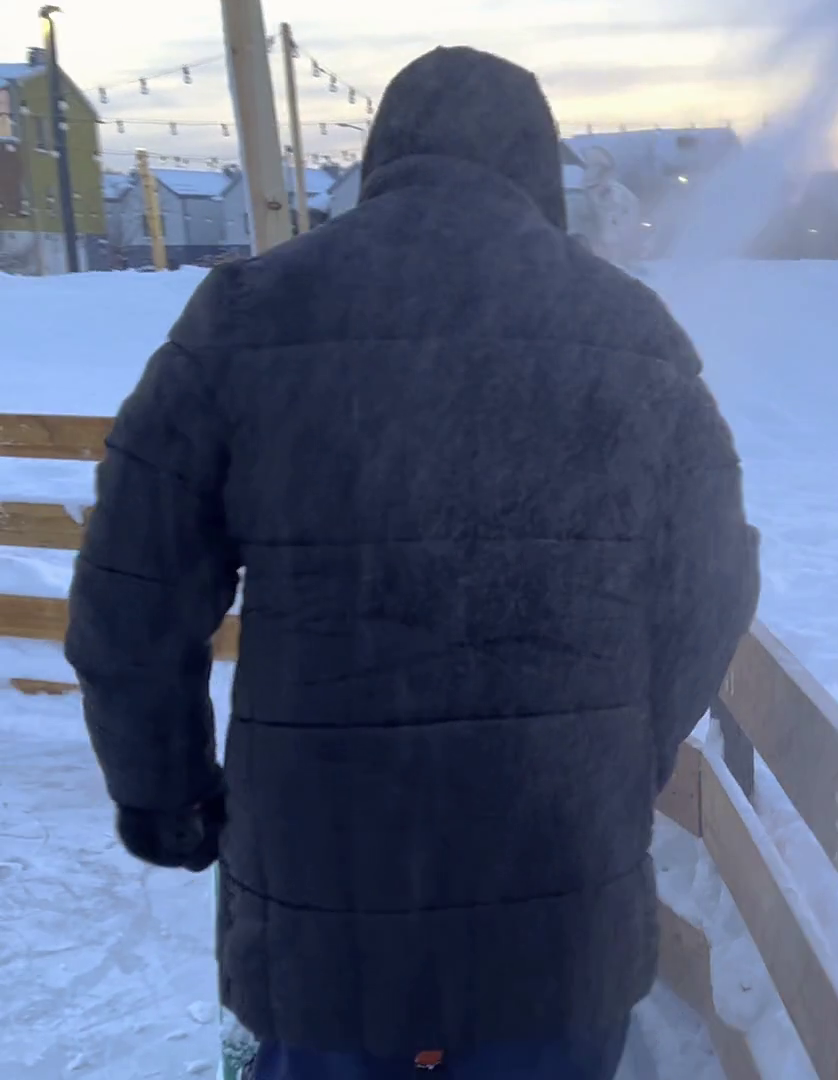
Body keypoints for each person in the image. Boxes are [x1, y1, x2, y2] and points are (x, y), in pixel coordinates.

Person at [66, 46, 760, 1080]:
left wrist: (166, 794)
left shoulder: (250, 318)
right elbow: (713, 582)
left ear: (382, 157)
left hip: (325, 923)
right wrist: (620, 754)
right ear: (538, 171)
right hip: (556, 924)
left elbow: (130, 595)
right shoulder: (632, 337)